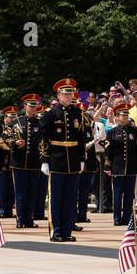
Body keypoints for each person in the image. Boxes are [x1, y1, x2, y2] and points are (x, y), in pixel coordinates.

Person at [41, 79, 85, 241]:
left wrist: (82, 158)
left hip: (73, 160)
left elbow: (81, 138)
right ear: (58, 95)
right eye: (65, 94)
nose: (68, 96)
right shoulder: (50, 113)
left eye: (70, 94)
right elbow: (43, 138)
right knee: (56, 198)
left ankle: (67, 230)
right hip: (56, 160)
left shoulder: (77, 113)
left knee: (70, 197)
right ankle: (56, 231)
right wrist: (44, 159)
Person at [11, 94, 46, 229]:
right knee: (20, 193)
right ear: (25, 106)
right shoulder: (17, 122)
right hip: (19, 163)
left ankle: (29, 219)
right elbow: (8, 139)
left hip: (34, 163)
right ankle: (20, 219)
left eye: (34, 106)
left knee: (32, 192)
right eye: (30, 106)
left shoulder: (40, 123)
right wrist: (16, 143)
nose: (33, 108)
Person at [106, 102, 137, 225]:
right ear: (116, 117)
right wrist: (107, 165)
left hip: (131, 167)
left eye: (126, 115)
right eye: (122, 115)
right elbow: (108, 151)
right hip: (117, 167)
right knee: (117, 194)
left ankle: (127, 217)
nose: (125, 117)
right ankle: (116, 218)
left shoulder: (134, 131)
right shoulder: (112, 132)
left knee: (129, 194)